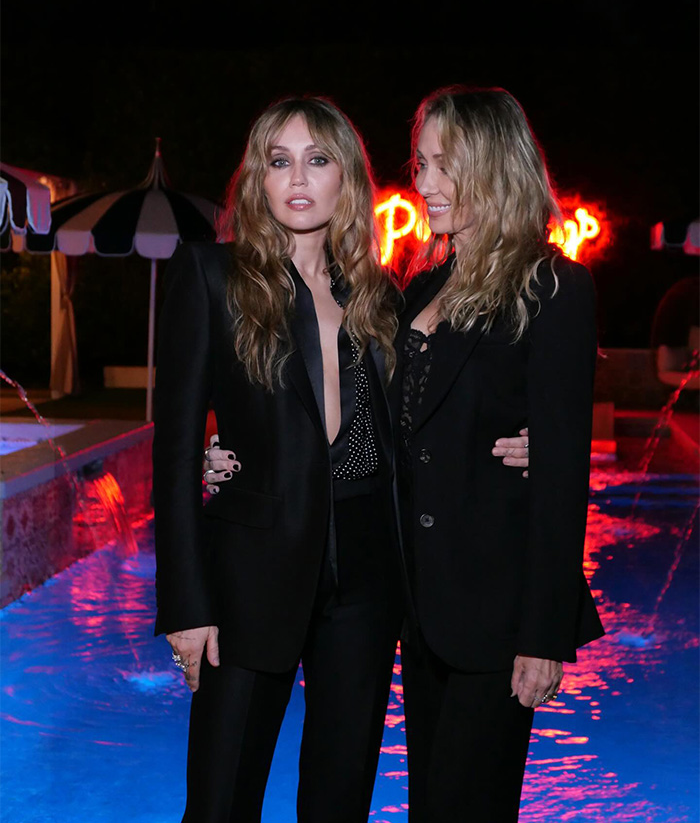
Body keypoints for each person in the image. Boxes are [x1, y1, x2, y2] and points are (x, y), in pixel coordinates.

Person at [153, 96, 402, 823]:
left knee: (339, 796)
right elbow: (173, 451)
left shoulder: (378, 297)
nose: (298, 177)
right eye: (279, 159)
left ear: (347, 179)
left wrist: (527, 441)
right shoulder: (211, 275)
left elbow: (421, 426)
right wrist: (186, 605)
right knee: (222, 798)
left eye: (318, 159)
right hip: (246, 576)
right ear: (257, 179)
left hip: (364, 578)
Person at [391, 86, 604, 821]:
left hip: (497, 615)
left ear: (493, 163)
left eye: (443, 164)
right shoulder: (421, 283)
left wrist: (543, 635)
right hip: (420, 612)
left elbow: (562, 477)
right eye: (420, 164)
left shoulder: (554, 287)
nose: (422, 184)